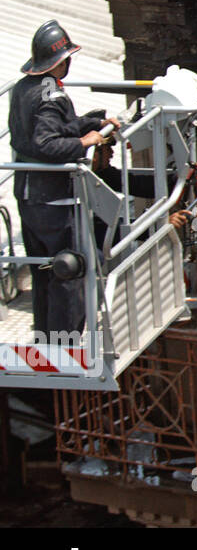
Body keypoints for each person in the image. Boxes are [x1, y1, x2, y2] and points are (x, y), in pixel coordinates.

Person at [7, 20, 118, 335]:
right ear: (60, 61)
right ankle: (64, 343)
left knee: (44, 268)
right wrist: (85, 142)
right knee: (71, 268)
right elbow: (47, 143)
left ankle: (46, 337)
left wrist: (91, 122)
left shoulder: (24, 87)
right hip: (52, 199)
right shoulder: (52, 95)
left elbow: (48, 129)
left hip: (28, 194)